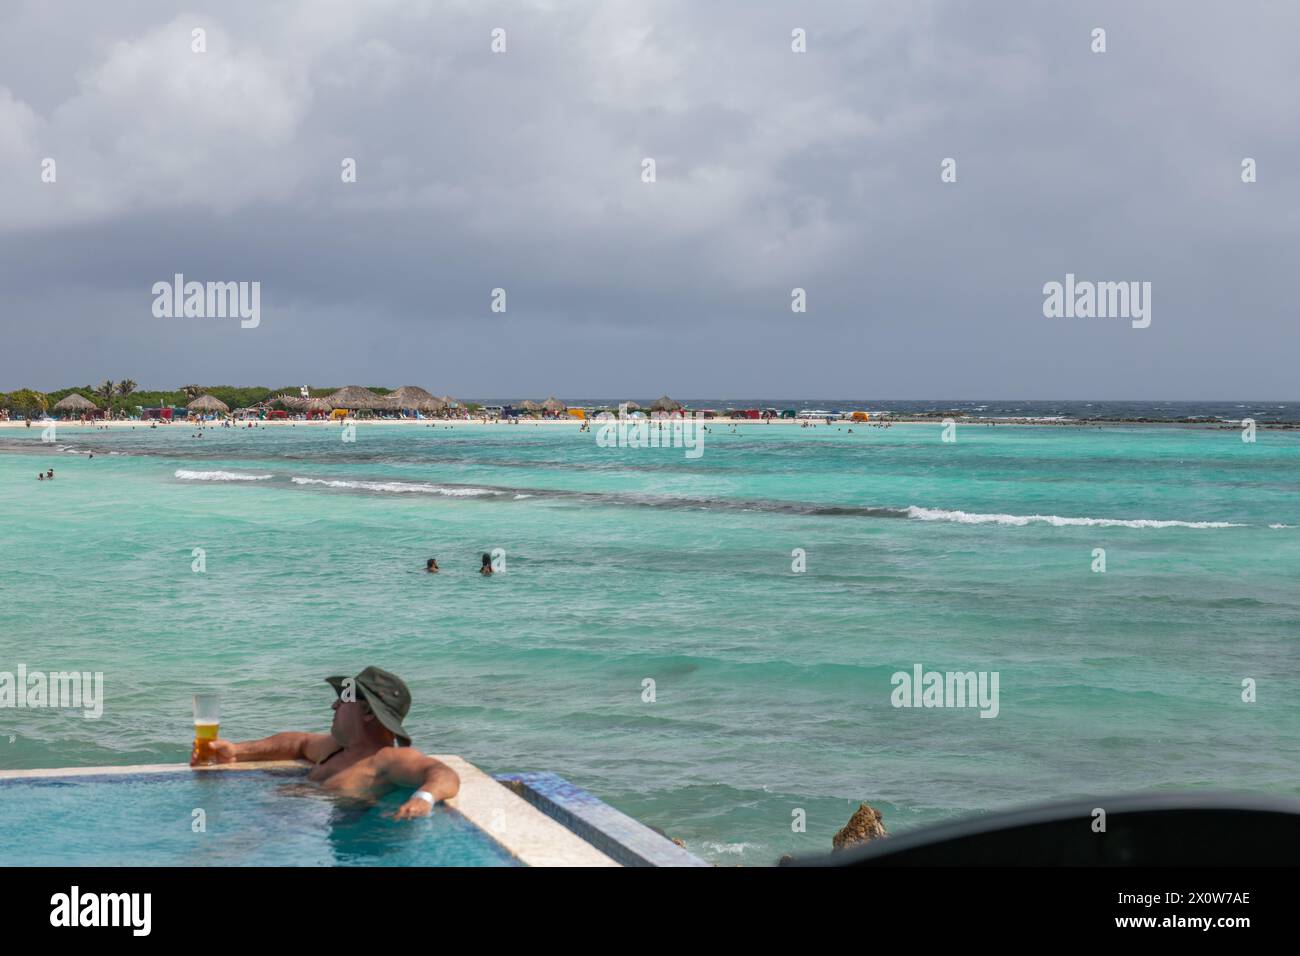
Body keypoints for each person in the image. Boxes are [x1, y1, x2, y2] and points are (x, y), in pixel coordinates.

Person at [192, 666, 459, 818]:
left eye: (344, 699)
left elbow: (442, 773)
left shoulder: (386, 759)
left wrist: (424, 798)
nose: (334, 704)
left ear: (367, 712)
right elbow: (297, 743)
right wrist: (237, 751)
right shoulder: (337, 748)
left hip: (310, 832)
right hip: (286, 821)